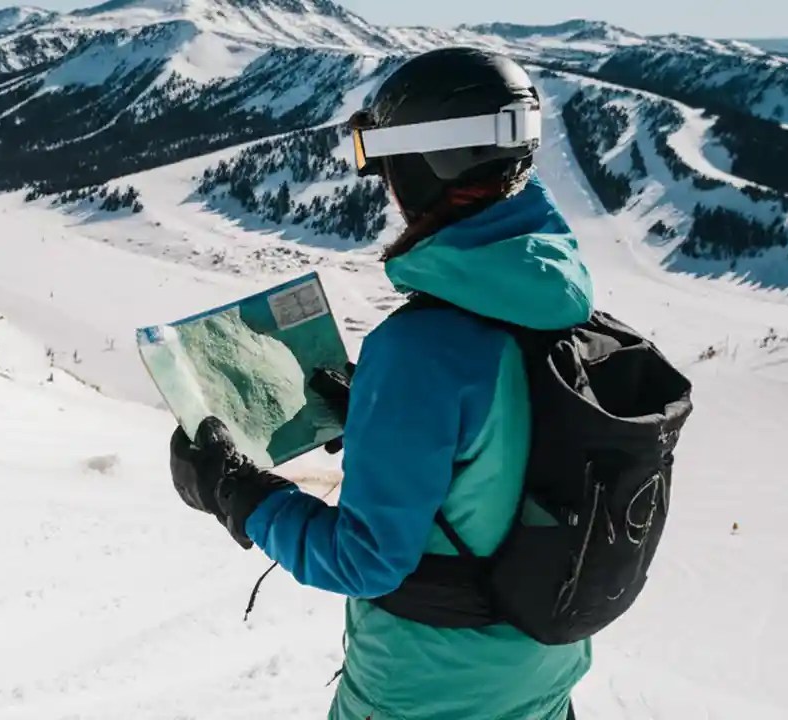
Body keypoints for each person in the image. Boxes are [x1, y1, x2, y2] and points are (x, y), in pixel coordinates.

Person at [170, 47, 592, 719]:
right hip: (538, 675)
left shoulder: (421, 348)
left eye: (389, 163)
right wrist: (379, 408)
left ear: (430, 168)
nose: (387, 188)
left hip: (425, 690)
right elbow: (504, 445)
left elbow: (364, 561)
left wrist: (237, 493)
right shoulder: (555, 302)